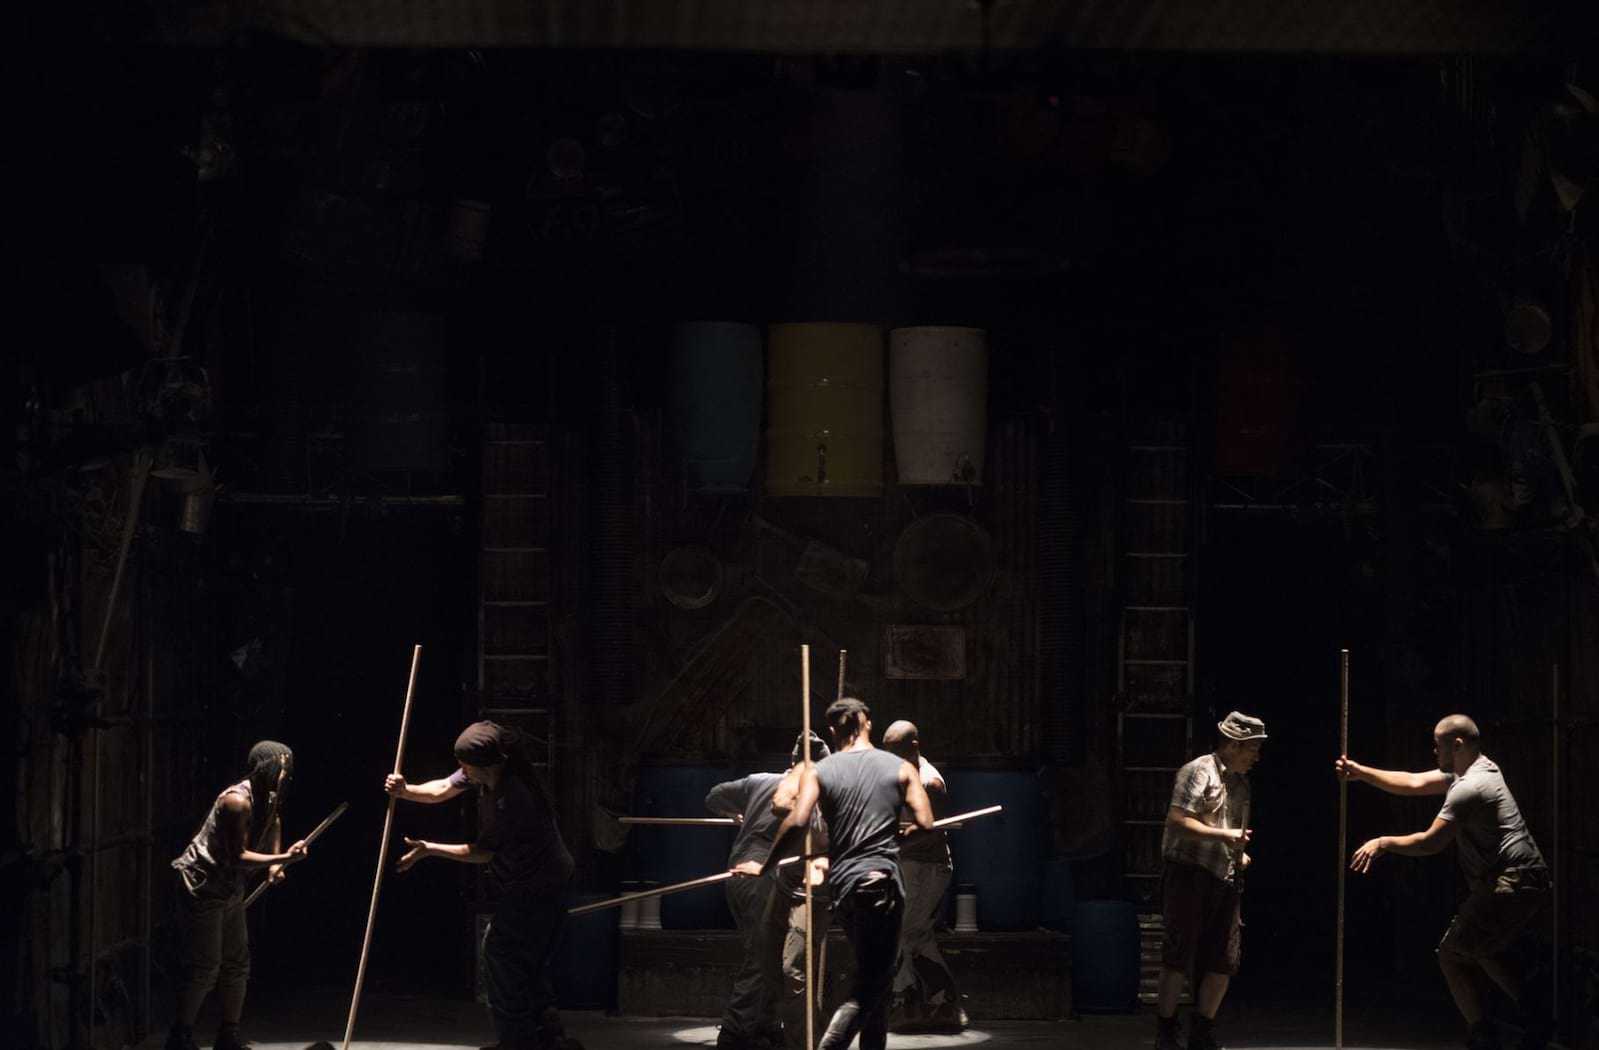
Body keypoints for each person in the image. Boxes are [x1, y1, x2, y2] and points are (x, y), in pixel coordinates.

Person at [1340, 714, 1551, 1050]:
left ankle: (1484, 1035)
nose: (1433, 751)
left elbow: (1430, 842)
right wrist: (1362, 773)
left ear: (1457, 745)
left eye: (1438, 745)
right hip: (1522, 878)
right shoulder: (1478, 770)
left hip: (1512, 880)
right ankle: (1536, 1013)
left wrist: (1383, 843)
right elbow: (1412, 782)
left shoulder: (1470, 787)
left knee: (1451, 955)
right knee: (1480, 948)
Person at [752, 698, 934, 1050]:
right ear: (868, 725)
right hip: (880, 885)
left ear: (834, 731)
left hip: (844, 889)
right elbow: (925, 824)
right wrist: (895, 838)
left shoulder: (821, 770)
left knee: (877, 981)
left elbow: (797, 820)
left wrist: (766, 865)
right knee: (868, 989)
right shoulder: (899, 767)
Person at [387, 721, 578, 1050]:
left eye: (465, 765)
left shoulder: (514, 797)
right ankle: (547, 1036)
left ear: (487, 763)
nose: (461, 771)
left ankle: (518, 1040)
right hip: (541, 881)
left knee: (501, 951)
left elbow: (482, 853)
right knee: (527, 959)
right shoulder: (486, 775)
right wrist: (406, 790)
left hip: (540, 886)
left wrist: (430, 849)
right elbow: (442, 789)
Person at [167, 741, 308, 1050]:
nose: (284, 774)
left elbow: (274, 820)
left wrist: (275, 863)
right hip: (203, 883)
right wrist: (283, 857)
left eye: (288, 768)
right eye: (279, 767)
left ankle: (228, 1035)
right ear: (263, 768)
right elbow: (237, 857)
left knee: (238, 963)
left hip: (230, 886)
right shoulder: (236, 802)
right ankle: (180, 1037)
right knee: (206, 965)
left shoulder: (267, 796)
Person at [705, 731, 832, 1050]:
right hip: (762, 878)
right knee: (762, 958)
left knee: (768, 955)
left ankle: (762, 1024)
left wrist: (734, 814)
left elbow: (714, 796)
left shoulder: (758, 780)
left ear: (791, 760)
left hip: (736, 876)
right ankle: (736, 1031)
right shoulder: (809, 791)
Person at [1154, 712, 1265, 1050]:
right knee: (1178, 953)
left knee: (1224, 959)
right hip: (1189, 873)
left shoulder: (1241, 782)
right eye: (1252, 750)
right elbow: (1177, 820)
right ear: (1234, 744)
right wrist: (1224, 836)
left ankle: (1202, 1030)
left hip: (1223, 877)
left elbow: (1230, 833)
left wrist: (1237, 853)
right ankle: (1167, 1030)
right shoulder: (1198, 771)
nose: (1256, 758)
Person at [879, 720, 962, 1032]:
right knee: (919, 938)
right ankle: (946, 1003)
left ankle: (905, 1002)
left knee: (897, 934)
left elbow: (927, 834)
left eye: (896, 752)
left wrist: (889, 839)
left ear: (914, 747)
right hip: (906, 866)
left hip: (928, 869)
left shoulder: (930, 783)